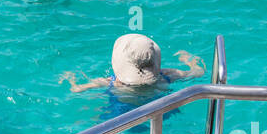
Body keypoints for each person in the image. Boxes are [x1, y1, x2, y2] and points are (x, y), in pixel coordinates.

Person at [61, 35, 204, 98]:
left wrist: (71, 79)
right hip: (160, 114)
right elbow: (198, 73)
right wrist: (190, 61)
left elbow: (77, 90)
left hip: (121, 119)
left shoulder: (113, 82)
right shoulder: (166, 76)